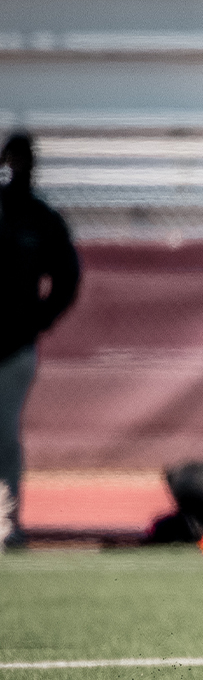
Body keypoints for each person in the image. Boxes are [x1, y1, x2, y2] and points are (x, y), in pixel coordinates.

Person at [0, 133, 81, 549]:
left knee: (4, 434)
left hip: (14, 347)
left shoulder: (40, 219)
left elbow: (67, 276)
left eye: (23, 161)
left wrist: (39, 319)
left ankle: (6, 521)